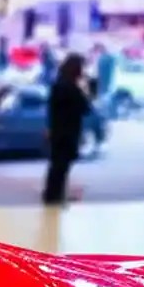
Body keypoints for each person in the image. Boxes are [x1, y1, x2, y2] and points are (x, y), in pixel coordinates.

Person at [43, 54, 91, 206]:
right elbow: (86, 108)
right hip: (69, 132)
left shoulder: (57, 85)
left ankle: (53, 194)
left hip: (57, 131)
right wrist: (84, 89)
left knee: (56, 166)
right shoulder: (72, 88)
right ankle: (55, 197)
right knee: (62, 167)